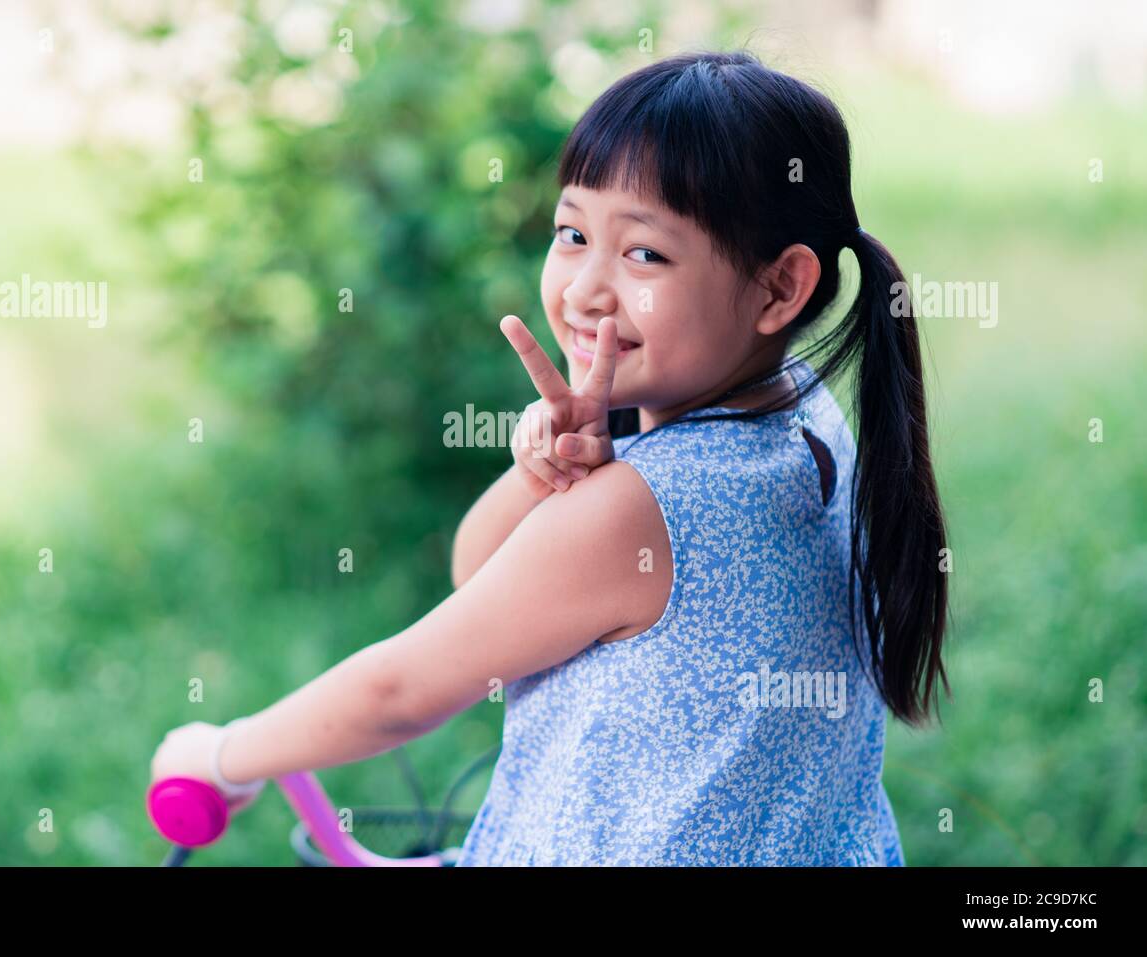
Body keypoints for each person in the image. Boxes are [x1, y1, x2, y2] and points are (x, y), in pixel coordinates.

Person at [151, 49, 950, 866]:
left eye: (645, 254)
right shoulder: (808, 414)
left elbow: (399, 691)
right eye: (572, 233)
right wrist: (546, 475)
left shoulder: (640, 508)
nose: (584, 290)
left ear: (780, 288)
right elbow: (485, 575)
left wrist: (219, 756)